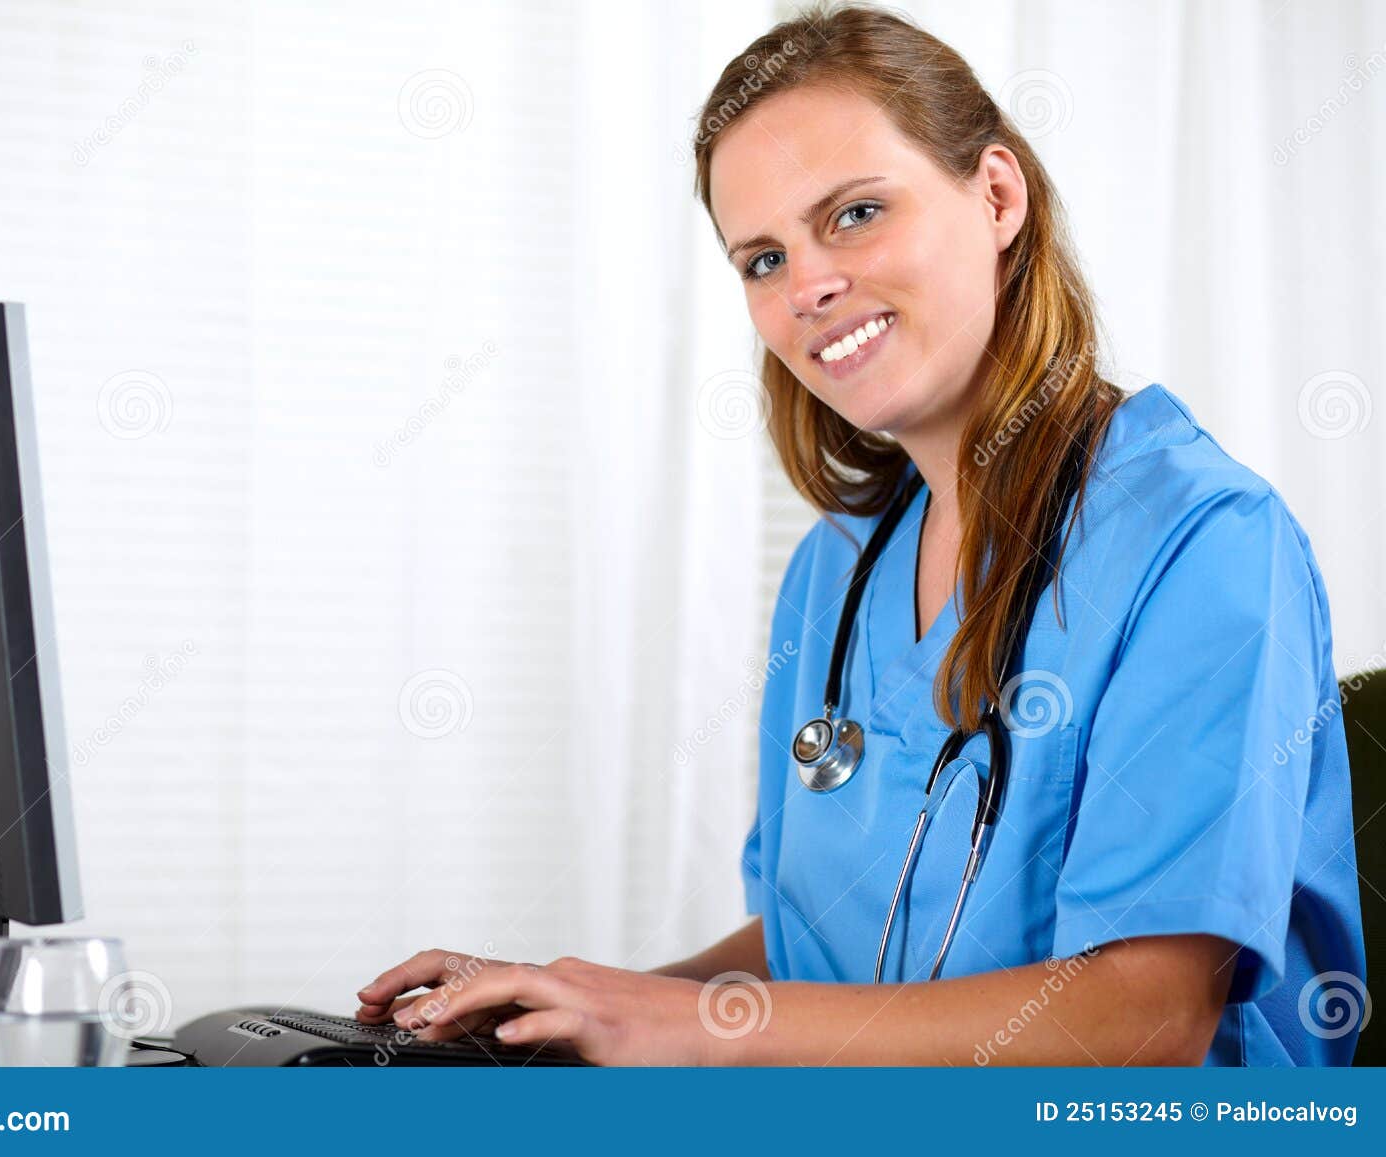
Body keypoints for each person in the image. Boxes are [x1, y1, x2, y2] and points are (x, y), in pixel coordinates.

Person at [354, 2, 1365, 1065]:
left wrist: (681, 1027)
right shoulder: (833, 571)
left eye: (853, 213)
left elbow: (1144, 1015)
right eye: (761, 259)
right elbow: (818, 947)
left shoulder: (1201, 543)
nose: (810, 286)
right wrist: (558, 1008)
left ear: (996, 196)